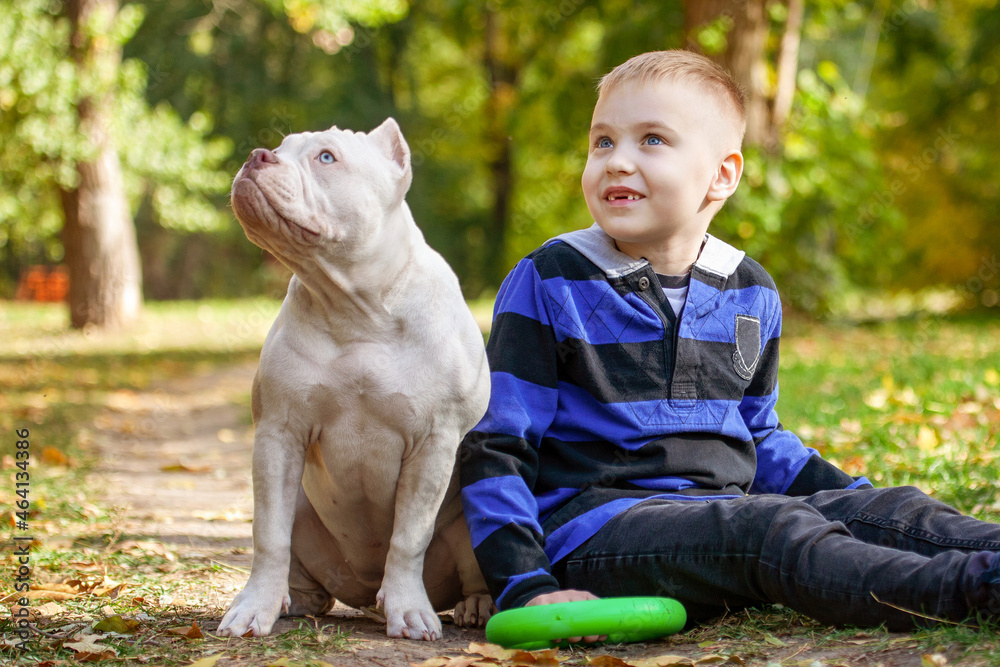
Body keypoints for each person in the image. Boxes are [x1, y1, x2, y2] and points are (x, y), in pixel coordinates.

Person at [458, 49, 1000, 634]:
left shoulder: (751, 291)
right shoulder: (551, 279)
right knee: (771, 530)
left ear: (722, 175)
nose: (616, 162)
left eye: (652, 141)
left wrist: (857, 505)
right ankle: (967, 592)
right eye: (603, 142)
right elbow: (497, 444)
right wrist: (525, 584)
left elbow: (756, 435)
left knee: (890, 509)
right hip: (598, 531)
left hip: (720, 514)